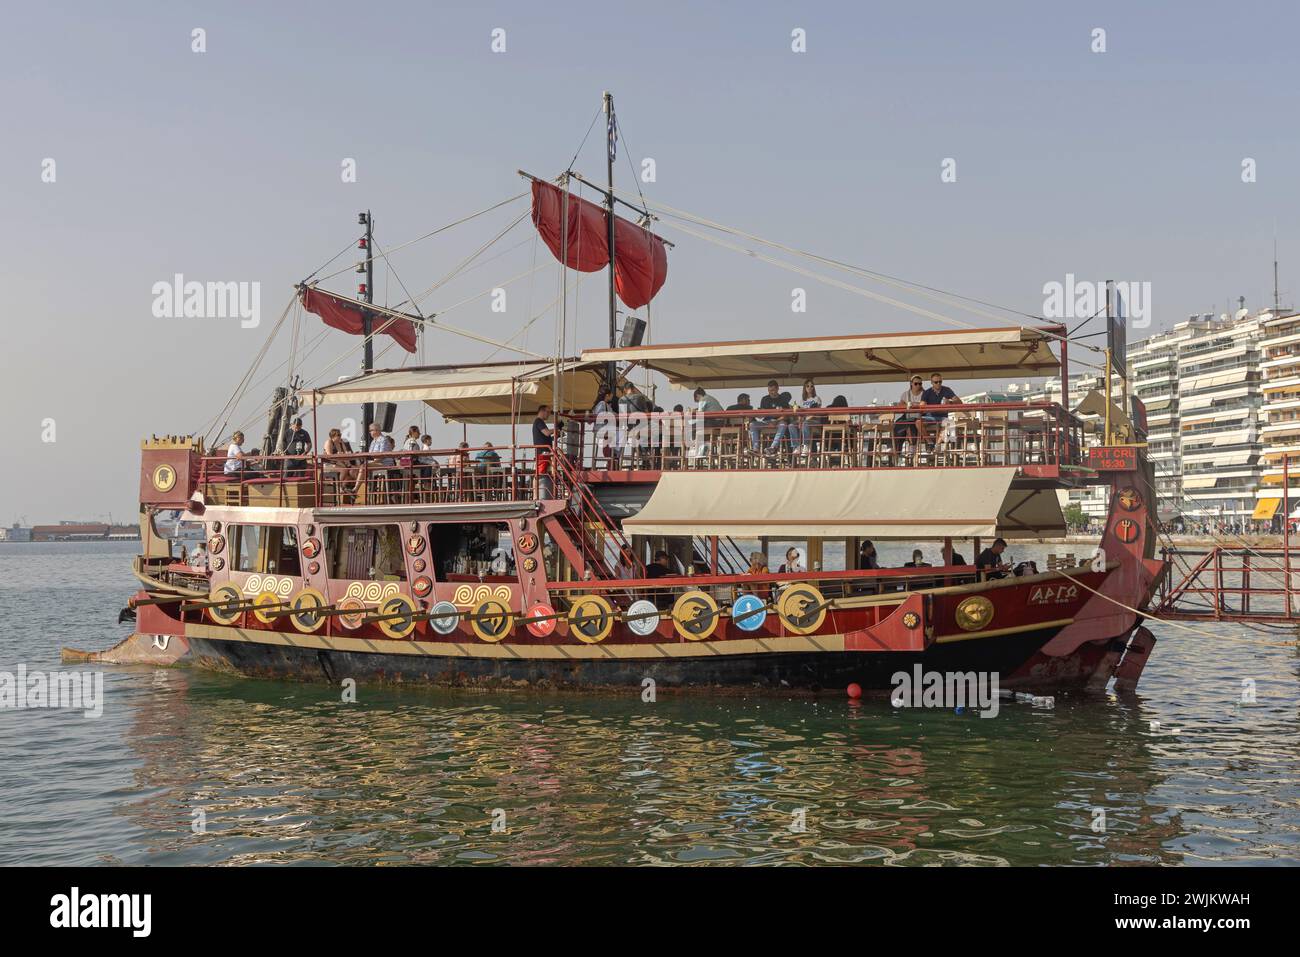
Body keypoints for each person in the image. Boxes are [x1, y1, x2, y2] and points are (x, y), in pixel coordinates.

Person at [751, 380, 794, 455]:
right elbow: (762, 415)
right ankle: (755, 448)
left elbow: (786, 416)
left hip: (778, 422)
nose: (772, 392)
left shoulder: (783, 399)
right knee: (752, 424)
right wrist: (757, 414)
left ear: (778, 389)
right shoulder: (764, 399)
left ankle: (773, 447)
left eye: (773, 390)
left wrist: (776, 421)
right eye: (770, 390)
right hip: (766, 422)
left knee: (783, 424)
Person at [893, 375, 930, 459]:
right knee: (898, 425)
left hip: (920, 416)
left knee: (911, 423)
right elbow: (900, 405)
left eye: (920, 384)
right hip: (908, 416)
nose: (918, 386)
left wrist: (913, 405)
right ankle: (897, 449)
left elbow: (926, 406)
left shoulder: (925, 394)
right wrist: (908, 406)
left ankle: (912, 446)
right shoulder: (905, 394)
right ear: (911, 384)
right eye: (916, 383)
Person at [533, 406, 557, 498]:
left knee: (541, 473)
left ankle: (541, 495)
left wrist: (554, 436)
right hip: (542, 452)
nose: (549, 414)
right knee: (539, 473)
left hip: (544, 452)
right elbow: (546, 433)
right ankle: (536, 495)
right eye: (548, 412)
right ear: (542, 411)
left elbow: (546, 437)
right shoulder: (539, 421)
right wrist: (556, 429)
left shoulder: (540, 422)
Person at [796, 379, 823, 455]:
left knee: (805, 423)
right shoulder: (801, 400)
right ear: (804, 387)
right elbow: (799, 413)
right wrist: (800, 420)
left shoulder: (817, 398)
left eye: (812, 386)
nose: (810, 388)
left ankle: (806, 445)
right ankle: (797, 446)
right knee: (791, 425)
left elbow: (816, 412)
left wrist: (805, 419)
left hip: (815, 421)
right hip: (804, 420)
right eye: (807, 386)